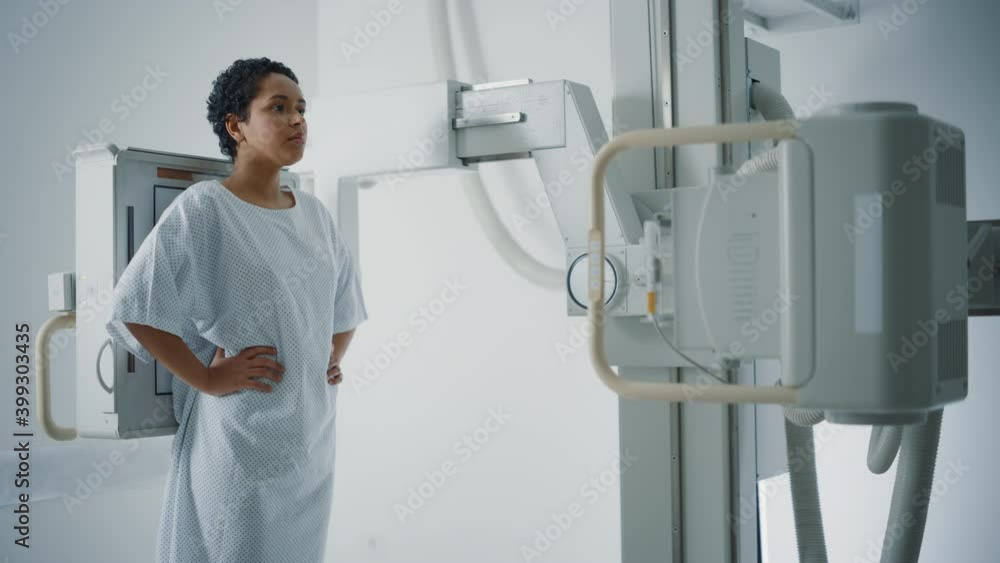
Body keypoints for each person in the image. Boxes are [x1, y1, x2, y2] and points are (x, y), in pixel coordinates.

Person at [105, 57, 368, 562]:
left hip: (310, 445)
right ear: (236, 126)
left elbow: (345, 305)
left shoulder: (314, 215)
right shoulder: (206, 207)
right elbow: (136, 305)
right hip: (240, 442)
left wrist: (330, 354)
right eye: (278, 108)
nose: (297, 119)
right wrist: (207, 378)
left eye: (301, 108)